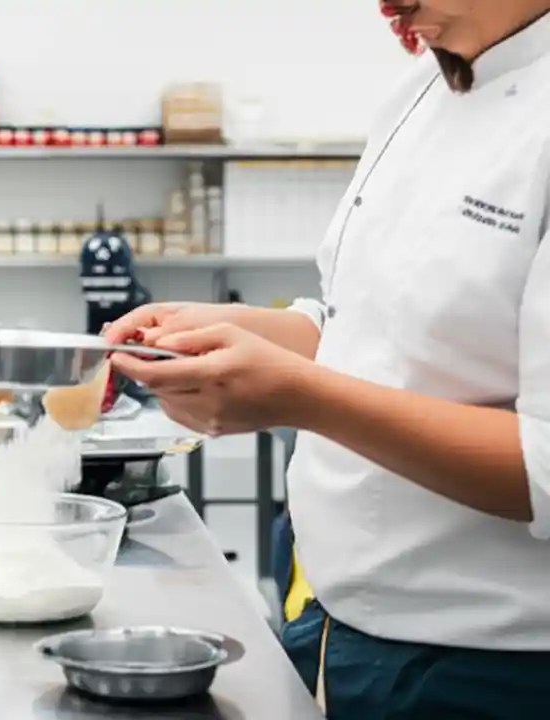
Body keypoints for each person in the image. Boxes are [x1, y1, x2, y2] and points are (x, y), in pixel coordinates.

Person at [104, 1, 550, 718]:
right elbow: (367, 329)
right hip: (340, 626)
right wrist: (225, 332)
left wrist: (298, 397)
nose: (387, 4)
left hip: (495, 669)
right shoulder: (420, 92)